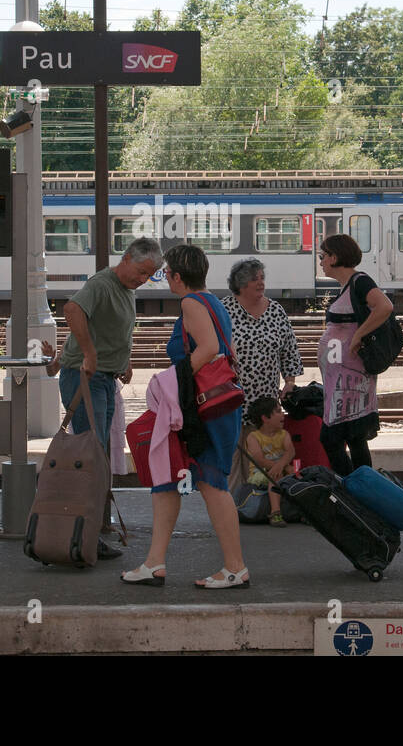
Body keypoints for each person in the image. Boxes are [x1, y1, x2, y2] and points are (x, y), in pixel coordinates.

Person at [121, 244, 251, 588]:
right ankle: (154, 563)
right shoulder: (216, 303)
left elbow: (208, 349)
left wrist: (174, 379)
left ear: (178, 276)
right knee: (168, 480)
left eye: (166, 274)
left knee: (212, 483)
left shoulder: (191, 303)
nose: (165, 279)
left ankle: (235, 567)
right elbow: (229, 350)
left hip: (203, 409)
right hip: (211, 407)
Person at [56, 237, 164, 560]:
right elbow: (72, 309)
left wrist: (124, 361)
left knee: (98, 459)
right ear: (127, 257)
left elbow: (117, 329)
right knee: (92, 459)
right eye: (141, 272)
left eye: (149, 276)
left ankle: (85, 534)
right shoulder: (102, 284)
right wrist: (89, 353)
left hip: (103, 379)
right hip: (85, 378)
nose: (142, 280)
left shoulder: (126, 290)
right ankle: (80, 536)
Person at [316, 234, 393, 476]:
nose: (320, 262)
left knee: (332, 438)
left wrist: (359, 334)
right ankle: (361, 490)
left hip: (350, 381)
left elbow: (385, 306)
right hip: (342, 380)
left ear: (334, 257)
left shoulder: (359, 282)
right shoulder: (347, 286)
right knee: (354, 438)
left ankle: (352, 487)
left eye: (322, 256)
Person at [221, 258, 303, 406]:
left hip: (267, 406)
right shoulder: (224, 310)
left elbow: (290, 352)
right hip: (232, 401)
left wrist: (290, 382)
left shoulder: (276, 310)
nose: (261, 283)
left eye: (262, 278)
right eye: (254, 279)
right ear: (240, 284)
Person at [243, 397, 295, 527]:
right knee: (276, 477)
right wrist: (280, 468)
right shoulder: (253, 437)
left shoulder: (284, 434)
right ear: (265, 419)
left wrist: (282, 466)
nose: (282, 414)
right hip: (259, 473)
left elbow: (290, 452)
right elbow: (259, 460)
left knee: (300, 476)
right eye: (278, 411)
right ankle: (275, 512)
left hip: (280, 469)